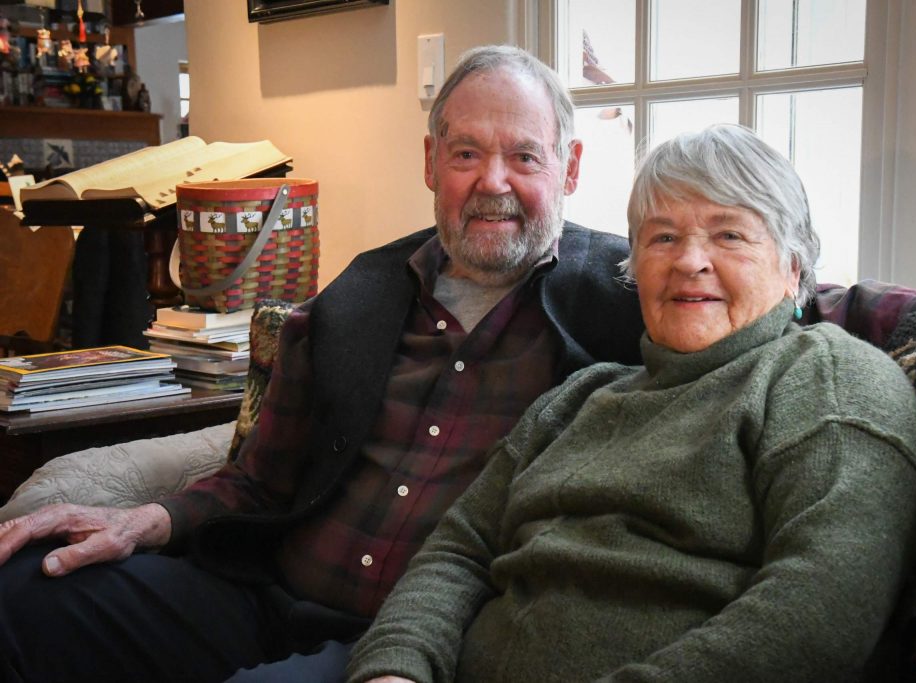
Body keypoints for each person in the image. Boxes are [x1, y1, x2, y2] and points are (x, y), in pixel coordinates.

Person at [0, 46, 645, 683]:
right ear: (430, 162)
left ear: (569, 167)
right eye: (467, 154)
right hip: (261, 599)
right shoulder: (361, 293)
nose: (493, 183)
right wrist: (140, 521)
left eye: (525, 156)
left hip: (411, 644)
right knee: (23, 593)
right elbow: (257, 482)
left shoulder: (620, 304)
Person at [344, 124, 916, 683]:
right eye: (663, 237)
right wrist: (396, 664)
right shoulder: (579, 396)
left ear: (792, 267)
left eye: (729, 235)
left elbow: (822, 608)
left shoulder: (824, 377)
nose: (689, 261)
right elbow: (459, 550)